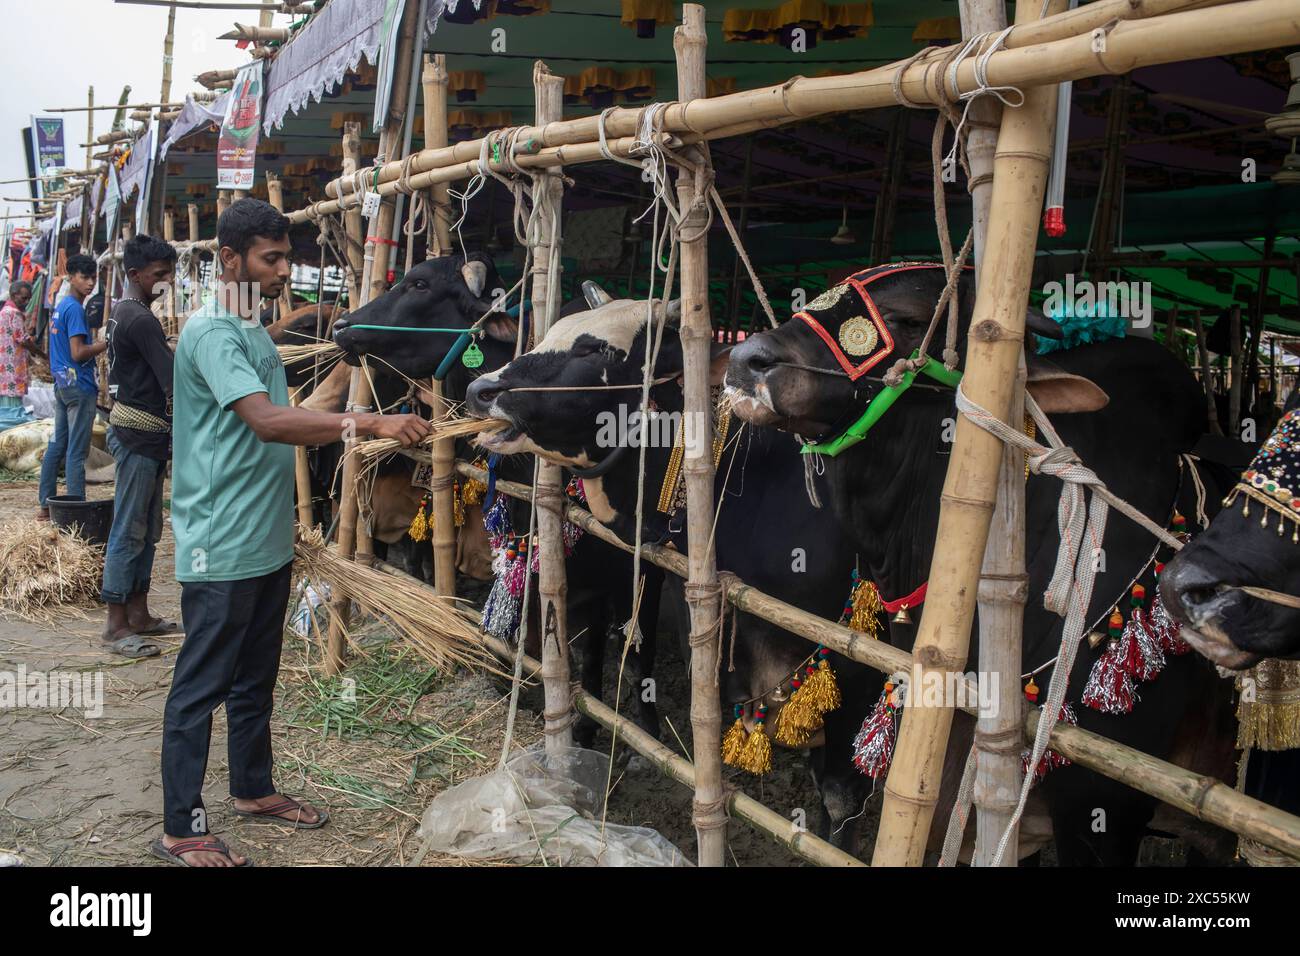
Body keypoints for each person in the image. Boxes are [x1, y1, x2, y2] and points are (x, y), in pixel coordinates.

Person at [155, 198, 431, 868]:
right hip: (220, 540)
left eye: (286, 258)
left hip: (264, 539)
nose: (283, 272)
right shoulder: (216, 332)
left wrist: (374, 406)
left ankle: (253, 789)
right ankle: (182, 826)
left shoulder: (253, 333)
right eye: (270, 259)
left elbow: (294, 413)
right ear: (230, 260)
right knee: (201, 684)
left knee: (255, 679)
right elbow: (269, 422)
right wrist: (369, 427)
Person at [101, 235, 180, 659]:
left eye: (170, 274)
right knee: (130, 529)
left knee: (147, 530)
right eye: (159, 276)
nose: (167, 282)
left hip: (140, 436)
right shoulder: (140, 320)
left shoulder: (125, 312)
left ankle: (139, 613)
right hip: (139, 435)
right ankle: (115, 625)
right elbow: (173, 384)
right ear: (135, 275)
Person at [37, 254, 105, 520]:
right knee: (77, 452)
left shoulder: (61, 306)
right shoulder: (75, 308)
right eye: (84, 277)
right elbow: (79, 353)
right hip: (79, 386)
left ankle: (45, 504)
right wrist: (106, 343)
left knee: (58, 445)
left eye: (93, 277)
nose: (89, 283)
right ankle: (75, 512)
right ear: (70, 277)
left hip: (63, 384)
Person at [0, 280, 36, 408]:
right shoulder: (14, 313)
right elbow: (23, 340)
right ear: (14, 295)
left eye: (28, 299)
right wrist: (41, 354)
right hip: (13, 367)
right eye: (24, 298)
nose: (26, 302)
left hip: (5, 368)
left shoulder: (5, 310)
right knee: (12, 409)